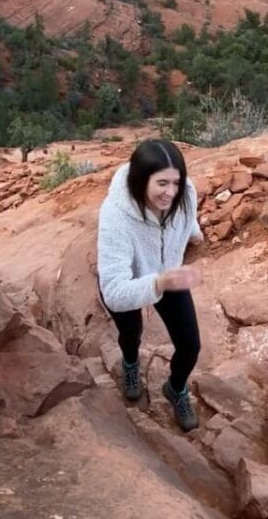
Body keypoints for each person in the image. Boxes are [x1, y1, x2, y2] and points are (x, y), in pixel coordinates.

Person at [97, 139, 203, 431]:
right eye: (161, 184)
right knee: (131, 333)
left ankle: (176, 388)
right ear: (141, 180)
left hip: (166, 273)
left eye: (175, 182)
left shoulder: (185, 192)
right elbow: (114, 292)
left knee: (190, 345)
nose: (170, 192)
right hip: (128, 278)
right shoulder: (115, 214)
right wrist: (157, 282)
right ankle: (131, 364)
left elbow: (186, 214)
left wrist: (194, 231)